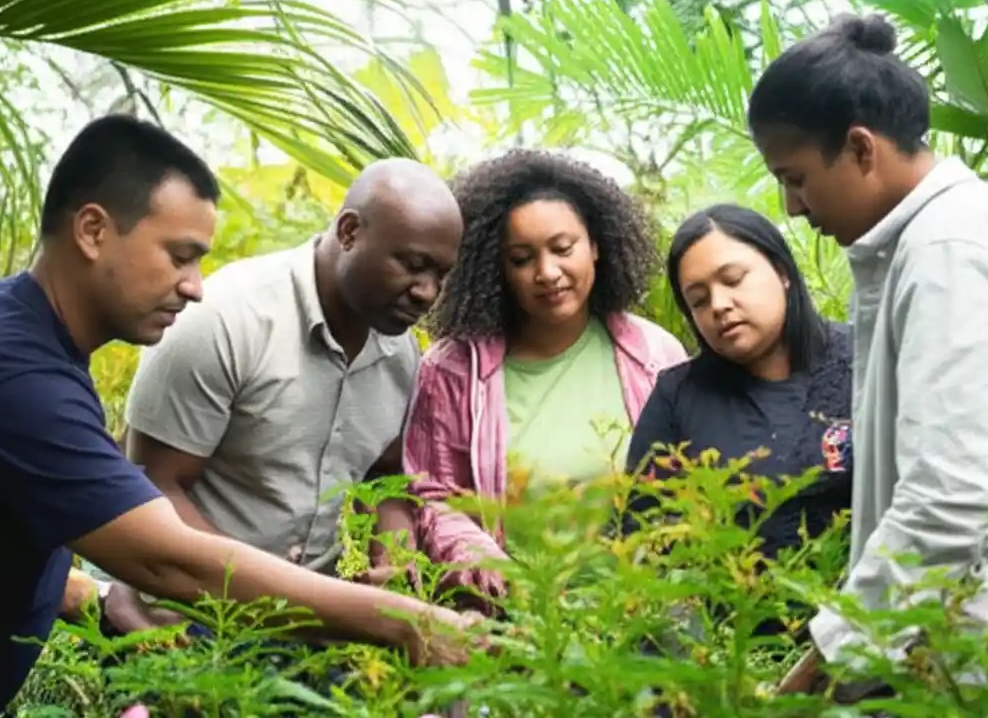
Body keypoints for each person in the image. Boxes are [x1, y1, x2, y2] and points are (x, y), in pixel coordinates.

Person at [0, 115, 477, 717]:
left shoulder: (25, 342)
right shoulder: (7, 371)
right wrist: (403, 622)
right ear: (93, 231)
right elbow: (168, 562)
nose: (196, 284)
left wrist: (98, 605)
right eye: (180, 255)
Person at [745, 14, 988, 694]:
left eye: (794, 176)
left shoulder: (953, 250)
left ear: (860, 149)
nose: (791, 206)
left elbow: (953, 494)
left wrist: (818, 670)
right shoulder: (933, 241)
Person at [101, 156, 464, 632]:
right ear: (350, 232)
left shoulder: (400, 357)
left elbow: (384, 479)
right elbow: (151, 488)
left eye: (441, 275)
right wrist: (289, 605)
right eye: (413, 265)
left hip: (315, 627)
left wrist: (393, 554)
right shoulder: (226, 319)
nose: (427, 292)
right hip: (191, 613)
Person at [400, 149, 687, 605]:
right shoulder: (453, 370)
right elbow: (429, 491)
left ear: (595, 245)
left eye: (562, 248)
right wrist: (486, 565)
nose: (547, 273)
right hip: (512, 634)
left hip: (640, 623)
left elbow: (689, 481)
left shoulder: (654, 355)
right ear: (498, 268)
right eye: (521, 258)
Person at [623, 203, 853, 566]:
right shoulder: (678, 397)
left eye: (733, 280)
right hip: (736, 619)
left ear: (782, 272)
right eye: (698, 300)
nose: (719, 305)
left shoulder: (864, 362)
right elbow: (641, 537)